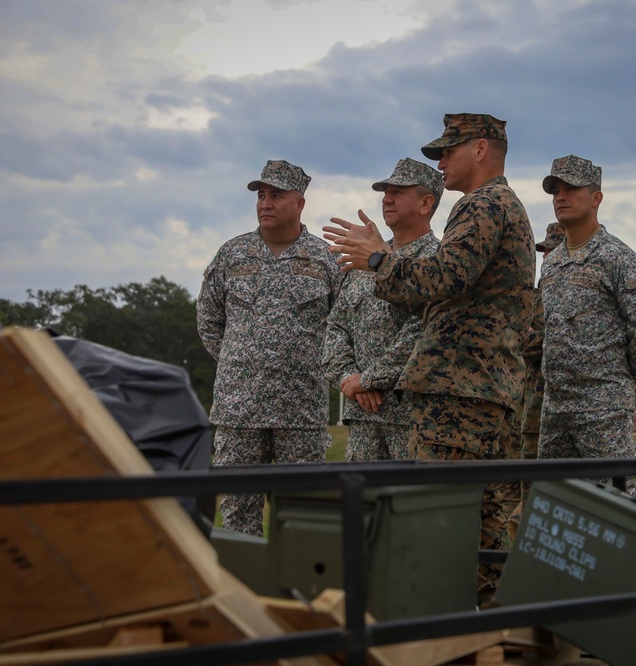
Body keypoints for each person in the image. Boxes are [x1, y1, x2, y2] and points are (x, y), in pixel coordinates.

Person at [323, 113, 535, 605]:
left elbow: (445, 278)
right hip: (480, 389)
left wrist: (379, 260)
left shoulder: (482, 204)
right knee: (480, 531)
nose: (440, 162)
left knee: (438, 527)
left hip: (458, 393)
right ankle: (488, 630)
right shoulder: (500, 204)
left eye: (448, 150)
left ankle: (440, 631)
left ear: (480, 150)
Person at [197, 160, 342, 537]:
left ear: (300, 203)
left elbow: (342, 325)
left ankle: (295, 579)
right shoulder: (233, 254)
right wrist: (242, 363)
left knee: (302, 515)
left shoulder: (325, 258)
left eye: (276, 195)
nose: (265, 203)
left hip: (301, 411)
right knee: (237, 518)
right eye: (261, 195)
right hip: (239, 411)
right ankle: (242, 579)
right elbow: (209, 322)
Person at [539, 155, 636, 494]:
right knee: (553, 499)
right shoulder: (552, 263)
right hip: (556, 404)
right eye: (555, 190)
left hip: (602, 404)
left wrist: (631, 376)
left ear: (596, 198)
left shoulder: (618, 258)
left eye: (571, 189)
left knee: (614, 498)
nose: (560, 197)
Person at [321, 158, 442, 461]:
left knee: (411, 493)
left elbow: (426, 329)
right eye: (385, 192)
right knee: (361, 493)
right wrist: (350, 378)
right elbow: (336, 326)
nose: (387, 199)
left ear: (426, 203)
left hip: (414, 417)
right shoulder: (365, 259)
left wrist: (369, 379)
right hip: (363, 417)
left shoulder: (438, 262)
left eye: (398, 192)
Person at [506, 221, 565, 542]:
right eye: (544, 251)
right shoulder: (535, 294)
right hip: (524, 410)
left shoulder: (564, 294)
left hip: (551, 412)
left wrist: (525, 336)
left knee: (540, 497)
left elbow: (539, 342)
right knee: (515, 490)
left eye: (552, 250)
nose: (546, 257)